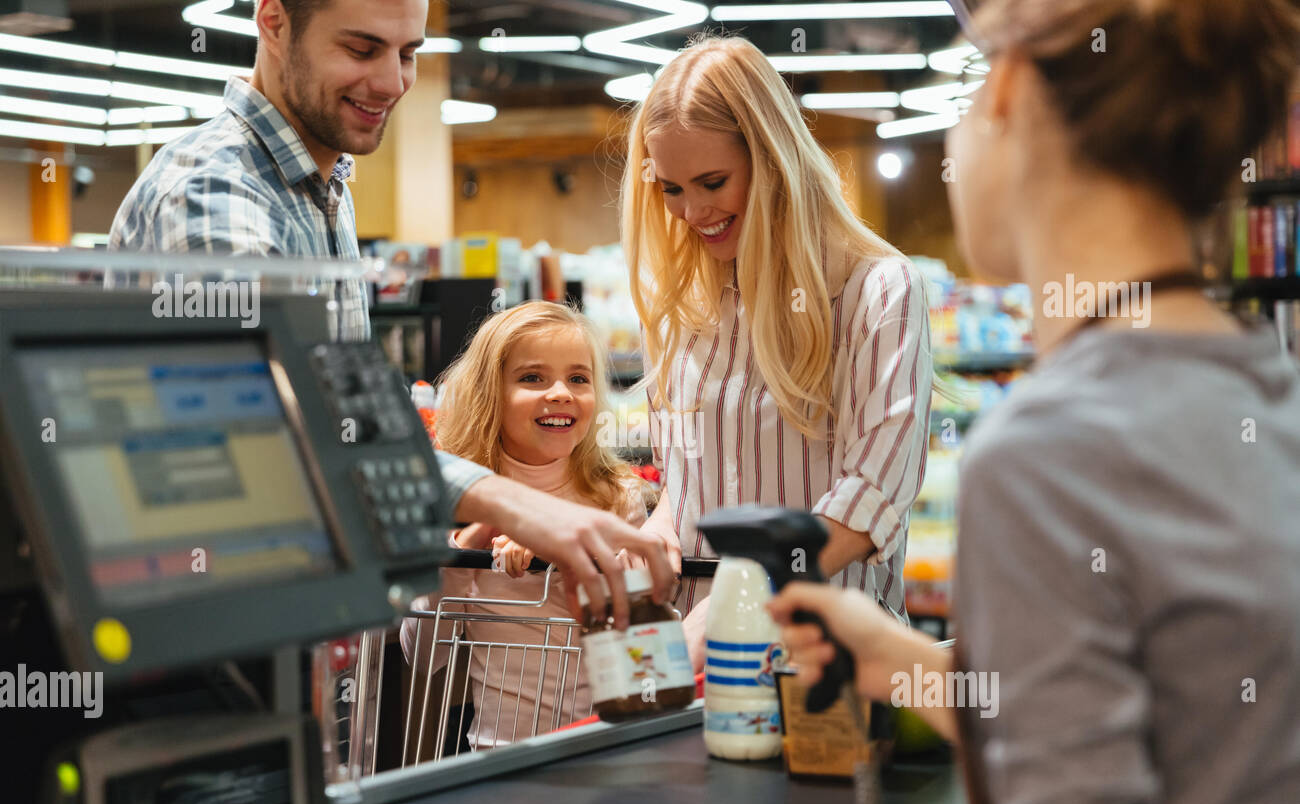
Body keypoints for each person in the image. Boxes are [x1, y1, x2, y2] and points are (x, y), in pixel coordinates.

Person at [769, 0, 1300, 804]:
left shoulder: (1046, 456)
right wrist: (914, 668)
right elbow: (1206, 741)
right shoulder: (1265, 397)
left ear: (1008, 90)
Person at [107, 0, 671, 624]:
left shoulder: (323, 190)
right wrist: (512, 503)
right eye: (360, 48)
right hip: (221, 622)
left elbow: (345, 411)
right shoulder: (217, 198)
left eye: (408, 53)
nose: (392, 82)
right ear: (273, 21)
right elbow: (272, 425)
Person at [621, 35, 933, 670]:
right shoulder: (694, 306)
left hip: (828, 669)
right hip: (702, 667)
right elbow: (683, 489)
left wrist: (740, 594)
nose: (693, 212)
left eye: (713, 182)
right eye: (672, 190)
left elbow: (869, 497)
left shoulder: (879, 292)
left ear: (772, 159)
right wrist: (651, 539)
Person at [400, 301, 647, 749]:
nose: (560, 393)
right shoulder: (452, 499)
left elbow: (645, 638)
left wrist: (562, 554)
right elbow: (422, 653)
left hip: (612, 747)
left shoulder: (615, 496)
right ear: (489, 393)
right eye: (533, 378)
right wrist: (472, 538)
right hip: (498, 753)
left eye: (578, 378)